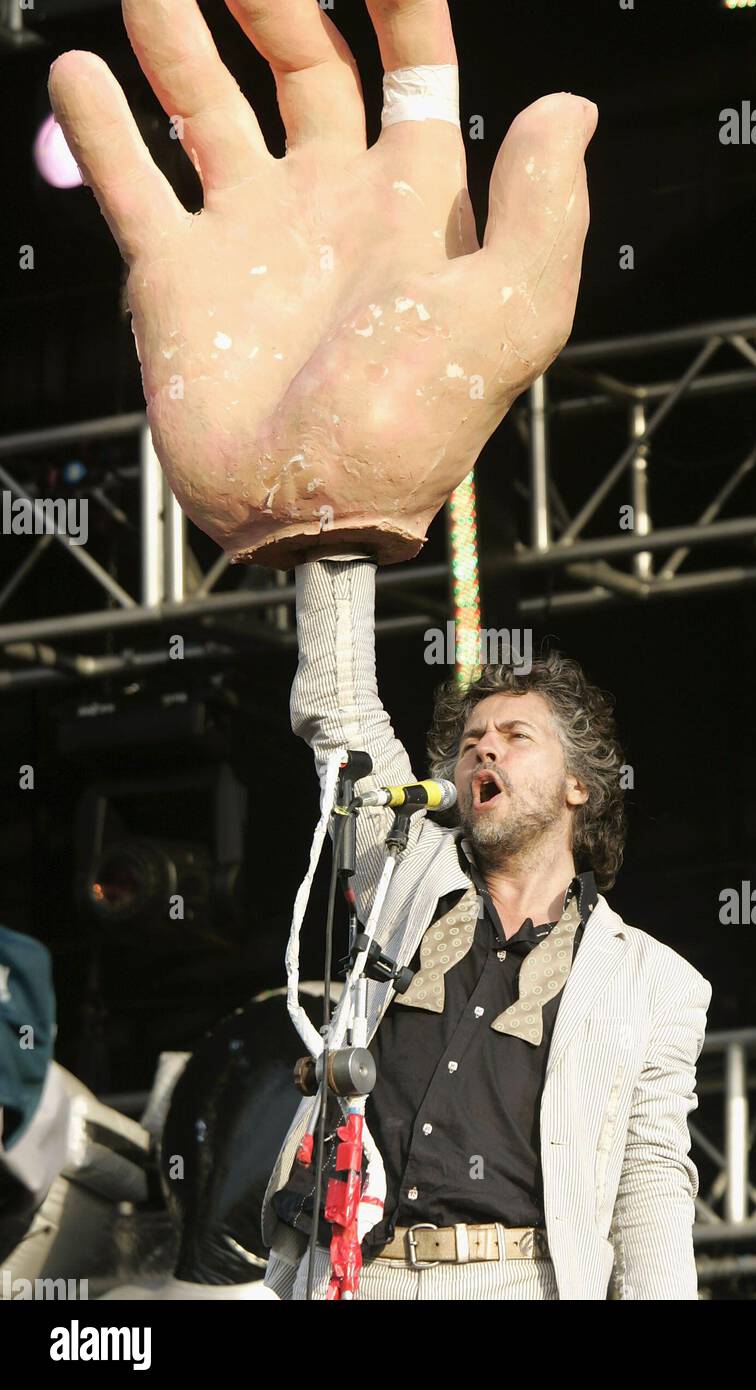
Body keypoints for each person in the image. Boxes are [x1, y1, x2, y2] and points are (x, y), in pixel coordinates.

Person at [47, 0, 711, 1301]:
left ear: (580, 783)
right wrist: (327, 519)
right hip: (350, 1278)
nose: (481, 747)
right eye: (471, 734)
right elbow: (342, 712)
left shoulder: (651, 987)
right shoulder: (404, 879)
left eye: (513, 735)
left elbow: (649, 1199)